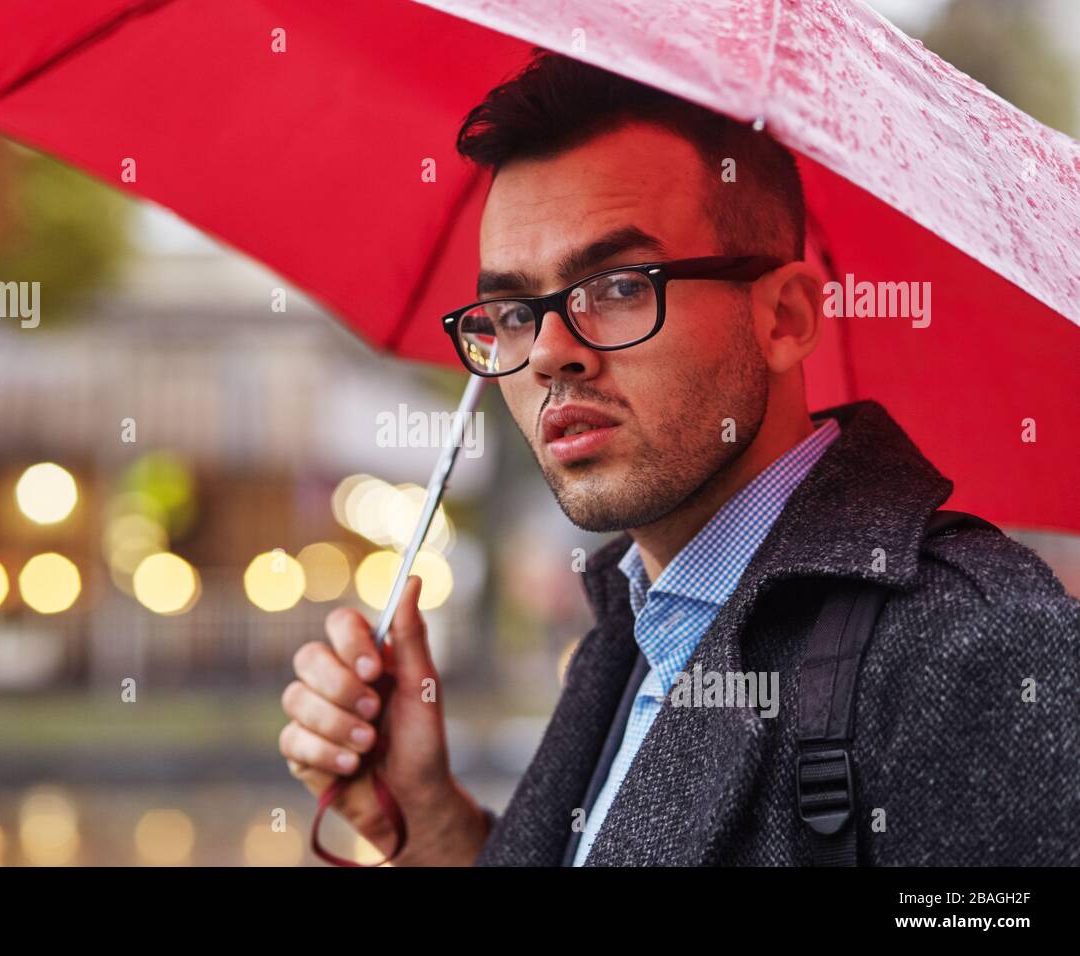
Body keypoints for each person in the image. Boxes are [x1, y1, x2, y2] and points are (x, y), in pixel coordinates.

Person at [278, 49, 1080, 865]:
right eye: (514, 310)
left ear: (785, 318)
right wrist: (426, 818)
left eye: (622, 285)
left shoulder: (973, 642)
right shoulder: (632, 627)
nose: (552, 353)